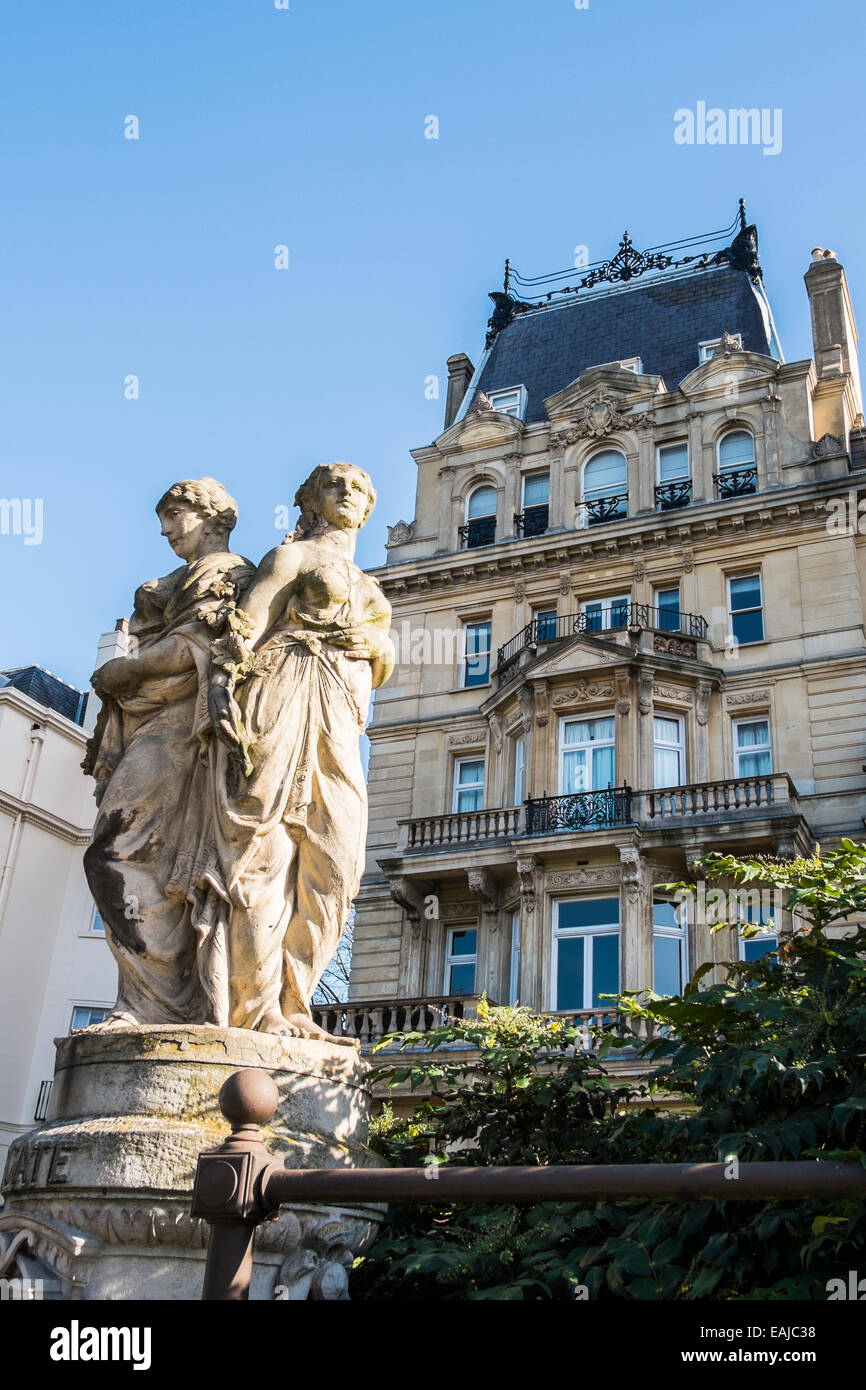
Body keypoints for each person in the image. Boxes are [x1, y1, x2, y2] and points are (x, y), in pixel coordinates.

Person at [207, 462, 394, 1038]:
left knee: (338, 861)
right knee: (267, 846)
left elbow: (383, 661)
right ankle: (257, 1009)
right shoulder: (292, 558)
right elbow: (244, 628)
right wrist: (220, 695)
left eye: (360, 489)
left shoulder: (369, 584)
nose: (349, 494)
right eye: (336, 484)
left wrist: (374, 646)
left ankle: (297, 999)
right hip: (284, 691)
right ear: (309, 498)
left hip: (340, 715)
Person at [83, 478, 254, 1025]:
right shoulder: (167, 582)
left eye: (174, 515)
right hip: (148, 721)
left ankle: (166, 996)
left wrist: (125, 670)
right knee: (127, 855)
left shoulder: (232, 575)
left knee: (115, 850)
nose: (164, 529)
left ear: (211, 518)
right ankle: (141, 999)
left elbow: (201, 648)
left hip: (188, 728)